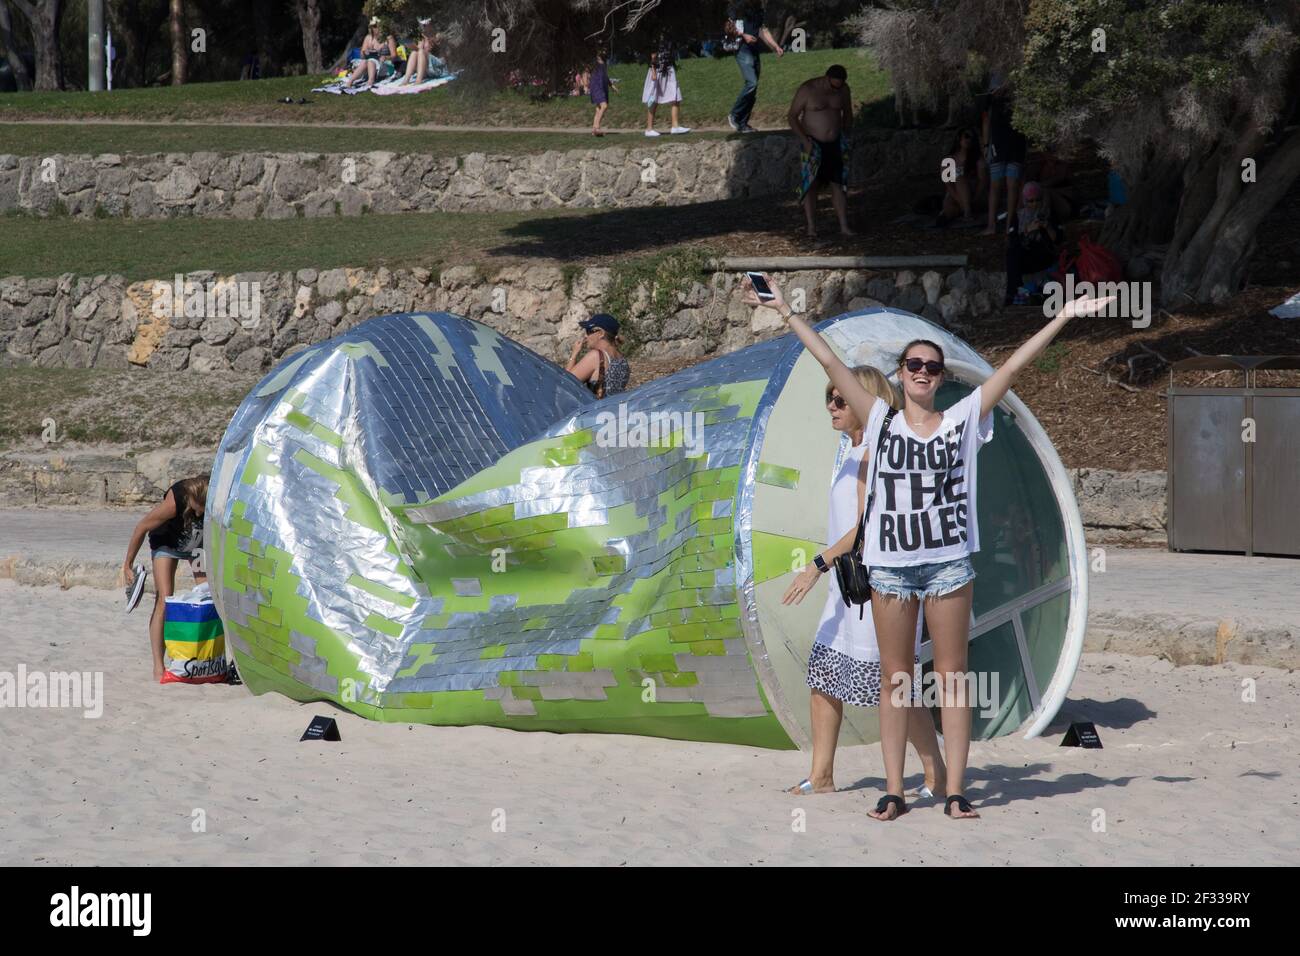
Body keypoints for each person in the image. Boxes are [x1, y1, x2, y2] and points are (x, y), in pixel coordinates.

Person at [742, 272, 1110, 821]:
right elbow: (829, 361)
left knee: (951, 679)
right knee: (897, 682)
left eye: (932, 367)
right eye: (913, 365)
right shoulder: (882, 420)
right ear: (900, 374)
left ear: (940, 378)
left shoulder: (960, 421)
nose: (922, 373)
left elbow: (1010, 368)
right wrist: (785, 310)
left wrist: (1064, 315)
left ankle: (955, 791)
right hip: (890, 571)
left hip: (946, 569)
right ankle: (894, 790)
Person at [779, 366, 946, 798]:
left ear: (863, 400)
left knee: (895, 685)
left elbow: (867, 525)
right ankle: (822, 775)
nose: (831, 407)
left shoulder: (877, 452)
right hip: (848, 588)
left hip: (880, 588)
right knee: (824, 678)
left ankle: (935, 771)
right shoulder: (851, 451)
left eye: (840, 400)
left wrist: (818, 563)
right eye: (829, 399)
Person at [122, 476, 210, 682]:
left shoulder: (215, 496)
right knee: (164, 600)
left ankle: (206, 658)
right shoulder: (175, 503)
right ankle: (158, 666)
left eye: (202, 510)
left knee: (207, 595)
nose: (198, 514)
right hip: (167, 545)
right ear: (190, 498)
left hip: (196, 545)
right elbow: (142, 527)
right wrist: (127, 564)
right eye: (196, 509)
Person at [789, 64, 854, 238]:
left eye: (839, 86)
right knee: (811, 186)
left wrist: (847, 133)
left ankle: (844, 226)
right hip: (813, 143)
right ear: (827, 78)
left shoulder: (843, 90)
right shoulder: (808, 90)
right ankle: (811, 227)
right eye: (833, 85)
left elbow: (847, 112)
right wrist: (804, 140)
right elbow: (792, 116)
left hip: (835, 142)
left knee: (838, 185)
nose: (836, 89)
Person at [724, 4, 783, 133]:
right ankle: (734, 114)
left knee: (753, 89)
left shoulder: (759, 10)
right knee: (752, 83)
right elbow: (728, 27)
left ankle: (743, 124)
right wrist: (744, 35)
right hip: (742, 49)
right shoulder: (738, 7)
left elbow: (763, 30)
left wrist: (775, 46)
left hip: (754, 50)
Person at [981, 75, 1027, 235]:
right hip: (998, 145)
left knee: (1012, 184)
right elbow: (986, 121)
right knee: (995, 184)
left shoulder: (1018, 93)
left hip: (1016, 144)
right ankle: (991, 225)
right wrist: (986, 145)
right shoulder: (991, 101)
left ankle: (1010, 226)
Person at [1005, 181, 1064, 305]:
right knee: (1013, 253)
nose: (1034, 204)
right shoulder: (1019, 216)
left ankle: (1021, 293)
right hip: (1025, 256)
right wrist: (1027, 230)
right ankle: (1014, 291)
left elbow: (1058, 240)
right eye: (1030, 201)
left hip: (1045, 255)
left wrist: (1047, 227)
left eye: (1037, 200)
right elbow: (1013, 241)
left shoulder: (1049, 214)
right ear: (1025, 201)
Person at [566, 313, 630, 397]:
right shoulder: (623, 360)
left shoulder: (595, 356)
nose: (585, 336)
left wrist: (574, 355)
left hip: (594, 409)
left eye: (589, 331)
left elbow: (565, 384)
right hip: (611, 408)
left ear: (601, 333)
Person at [937, 127, 984, 227]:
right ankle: (952, 214)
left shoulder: (978, 159)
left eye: (972, 138)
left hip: (973, 193)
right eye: (966, 136)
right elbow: (947, 184)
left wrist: (975, 199)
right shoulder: (948, 160)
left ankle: (967, 212)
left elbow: (982, 181)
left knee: (959, 178)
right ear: (959, 138)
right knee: (949, 208)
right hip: (954, 194)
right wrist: (958, 199)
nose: (969, 140)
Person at [643, 41, 690, 136]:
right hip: (658, 70)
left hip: (668, 69)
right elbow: (653, 56)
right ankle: (649, 129)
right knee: (653, 99)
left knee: (675, 97)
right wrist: (653, 71)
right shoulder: (656, 38)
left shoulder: (669, 37)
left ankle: (675, 126)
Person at [343, 16, 397, 90]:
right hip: (369, 63)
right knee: (367, 61)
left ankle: (370, 81)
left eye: (377, 26)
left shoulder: (389, 38)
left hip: (386, 64)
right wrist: (365, 52)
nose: (375, 29)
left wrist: (385, 57)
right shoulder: (368, 38)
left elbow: (394, 55)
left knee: (370, 61)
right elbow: (362, 56)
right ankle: (350, 81)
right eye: (373, 26)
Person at [397, 18, 448, 86]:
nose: (423, 26)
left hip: (439, 67)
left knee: (421, 52)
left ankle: (418, 80)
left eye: (425, 25)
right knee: (414, 52)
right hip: (427, 68)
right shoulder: (422, 36)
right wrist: (410, 45)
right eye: (423, 25)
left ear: (431, 24)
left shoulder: (437, 35)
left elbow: (440, 52)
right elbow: (418, 50)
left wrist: (432, 43)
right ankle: (406, 79)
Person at [590, 49, 613, 136]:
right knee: (604, 106)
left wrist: (611, 86)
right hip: (597, 87)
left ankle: (594, 129)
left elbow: (605, 76)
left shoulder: (603, 64)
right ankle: (597, 127)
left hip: (601, 88)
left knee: (598, 108)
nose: (604, 52)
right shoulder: (596, 63)